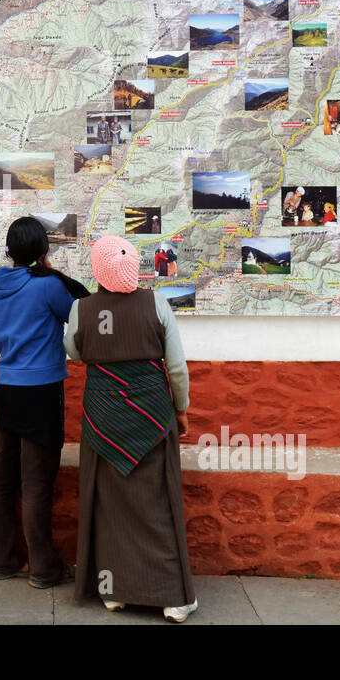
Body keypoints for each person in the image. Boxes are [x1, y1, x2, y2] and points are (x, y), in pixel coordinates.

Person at [66, 234, 197, 622]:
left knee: (110, 504)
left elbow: (73, 351)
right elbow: (176, 366)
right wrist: (182, 409)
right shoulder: (156, 303)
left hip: (103, 419)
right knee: (158, 503)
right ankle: (173, 598)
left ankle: (113, 591)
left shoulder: (81, 309)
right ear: (133, 266)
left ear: (98, 270)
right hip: (153, 418)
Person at [0, 217, 89, 588]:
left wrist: (13, 342)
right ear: (44, 252)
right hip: (41, 393)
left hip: (6, 391)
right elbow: (78, 316)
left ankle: (1, 560)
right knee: (37, 481)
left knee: (3, 478)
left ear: (9, 251)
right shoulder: (48, 287)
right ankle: (43, 568)